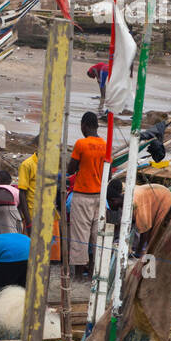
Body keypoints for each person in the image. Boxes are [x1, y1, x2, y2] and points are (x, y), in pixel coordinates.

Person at [67, 111, 106, 279]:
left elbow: (71, 169)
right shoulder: (105, 144)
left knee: (79, 237)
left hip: (82, 195)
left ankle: (77, 277)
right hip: (99, 196)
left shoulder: (81, 144)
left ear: (84, 125)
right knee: (97, 236)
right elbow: (108, 174)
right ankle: (93, 275)